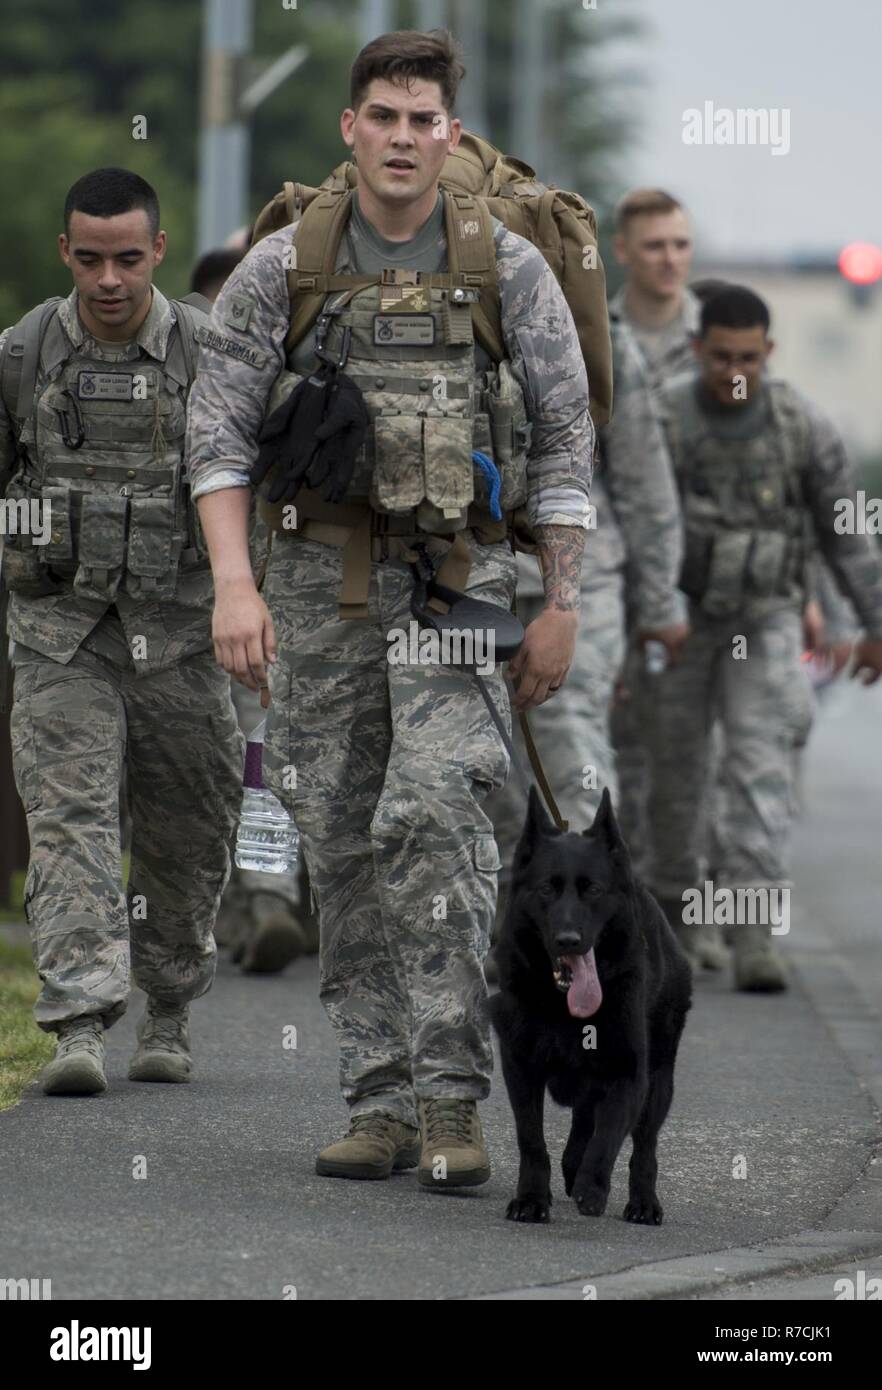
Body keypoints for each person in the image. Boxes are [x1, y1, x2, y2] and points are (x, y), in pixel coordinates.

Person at [186, 29, 596, 1187]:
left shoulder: (507, 268)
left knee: (436, 818)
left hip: (460, 585)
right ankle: (380, 1101)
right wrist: (233, 585)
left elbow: (566, 442)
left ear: (449, 135)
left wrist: (562, 600)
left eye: (425, 120)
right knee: (342, 842)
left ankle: (456, 1101)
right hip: (314, 586)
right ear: (351, 130)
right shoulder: (283, 267)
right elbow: (214, 439)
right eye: (385, 116)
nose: (404, 138)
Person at [0, 168, 244, 1094]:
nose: (109, 280)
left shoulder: (211, 354)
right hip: (63, 637)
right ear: (66, 252)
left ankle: (170, 1008)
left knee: (188, 834)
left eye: (129, 260)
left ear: (160, 253)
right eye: (91, 259)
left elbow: (254, 483)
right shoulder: (23, 355)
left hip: (182, 640)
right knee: (70, 824)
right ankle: (75, 1022)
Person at [646, 286, 882, 992]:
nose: (735, 371)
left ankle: (753, 933)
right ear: (696, 349)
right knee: (675, 775)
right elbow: (632, 525)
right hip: (682, 621)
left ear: (769, 353)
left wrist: (874, 624)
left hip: (767, 617)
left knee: (758, 770)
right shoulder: (664, 420)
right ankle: (678, 927)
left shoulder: (800, 425)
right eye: (721, 356)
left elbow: (847, 531)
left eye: (749, 357)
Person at [484, 315, 685, 938]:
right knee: (478, 766)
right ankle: (505, 935)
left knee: (573, 757)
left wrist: (659, 603)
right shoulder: (443, 298)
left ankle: (589, 937)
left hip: (576, 581)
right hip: (465, 577)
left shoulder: (599, 331)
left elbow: (644, 480)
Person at [189, 244, 318, 973]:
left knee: (265, 746)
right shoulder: (182, 362)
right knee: (224, 757)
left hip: (268, 583)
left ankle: (273, 899)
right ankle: (246, 908)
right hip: (191, 593)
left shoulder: (289, 365)